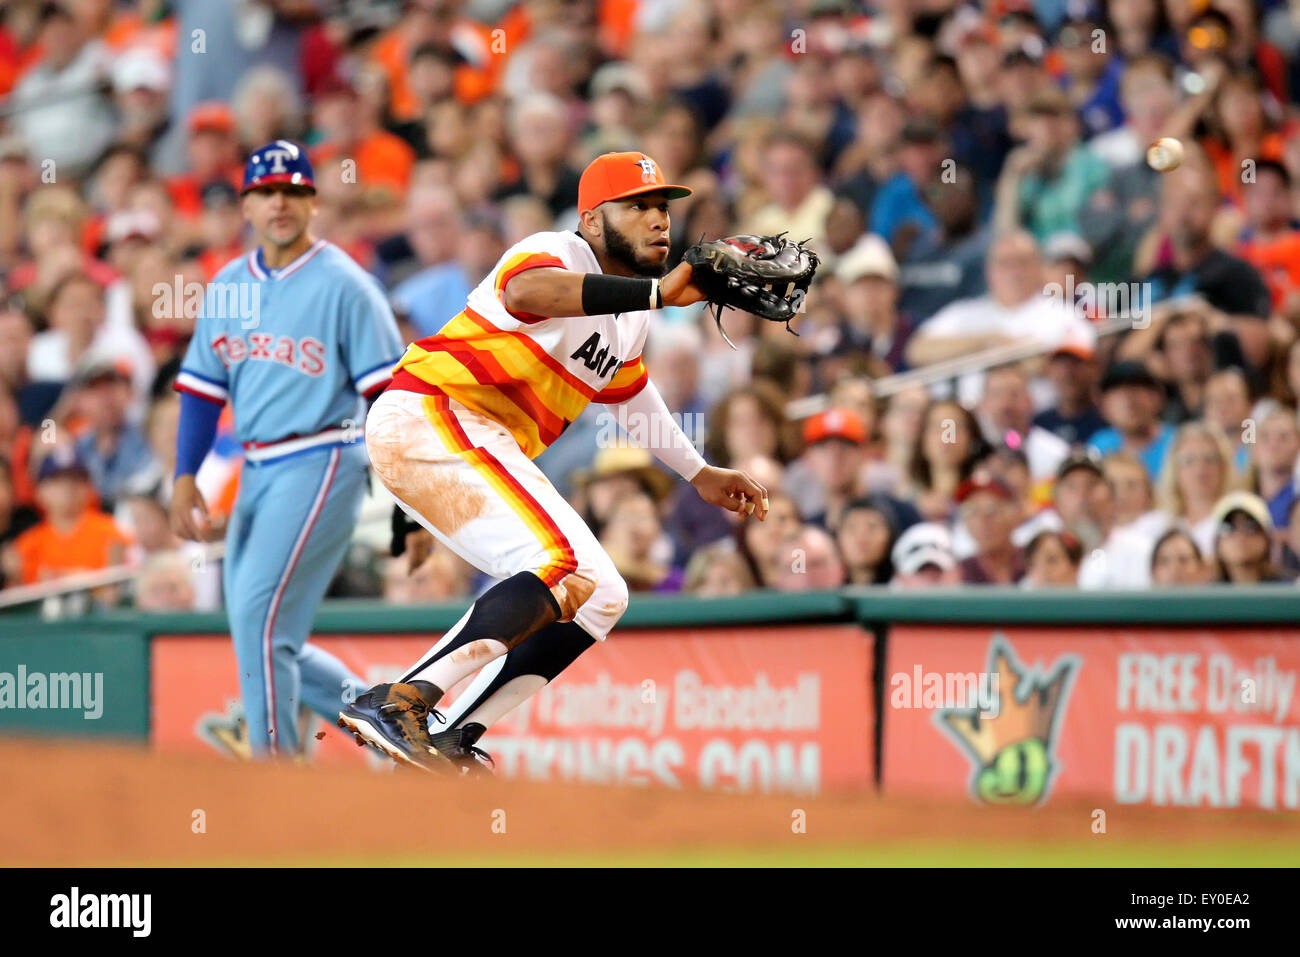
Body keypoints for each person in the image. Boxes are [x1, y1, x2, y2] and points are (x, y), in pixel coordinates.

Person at [345, 152, 769, 773]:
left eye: (663, 209)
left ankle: (452, 734)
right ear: (593, 220)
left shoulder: (631, 317)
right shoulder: (556, 252)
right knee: (560, 562)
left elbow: (626, 392)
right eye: (638, 207)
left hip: (466, 439)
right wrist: (659, 290)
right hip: (433, 413)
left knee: (600, 593)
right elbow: (525, 290)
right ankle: (402, 701)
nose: (658, 221)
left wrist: (698, 472)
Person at [169, 142, 403, 760]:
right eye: (267, 190)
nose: (280, 201)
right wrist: (183, 475)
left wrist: (410, 501)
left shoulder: (348, 286)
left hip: (325, 454)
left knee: (258, 618)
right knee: (270, 634)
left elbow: (390, 399)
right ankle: (390, 724)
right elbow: (201, 389)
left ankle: (272, 771)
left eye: (294, 190)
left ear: (312, 203)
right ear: (246, 203)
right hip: (257, 464)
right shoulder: (227, 284)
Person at [1209, 491, 1289, 583]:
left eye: (1250, 526)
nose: (1240, 535)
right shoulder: (1205, 595)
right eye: (1228, 527)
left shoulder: (1290, 590)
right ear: (1217, 542)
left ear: (1266, 538)